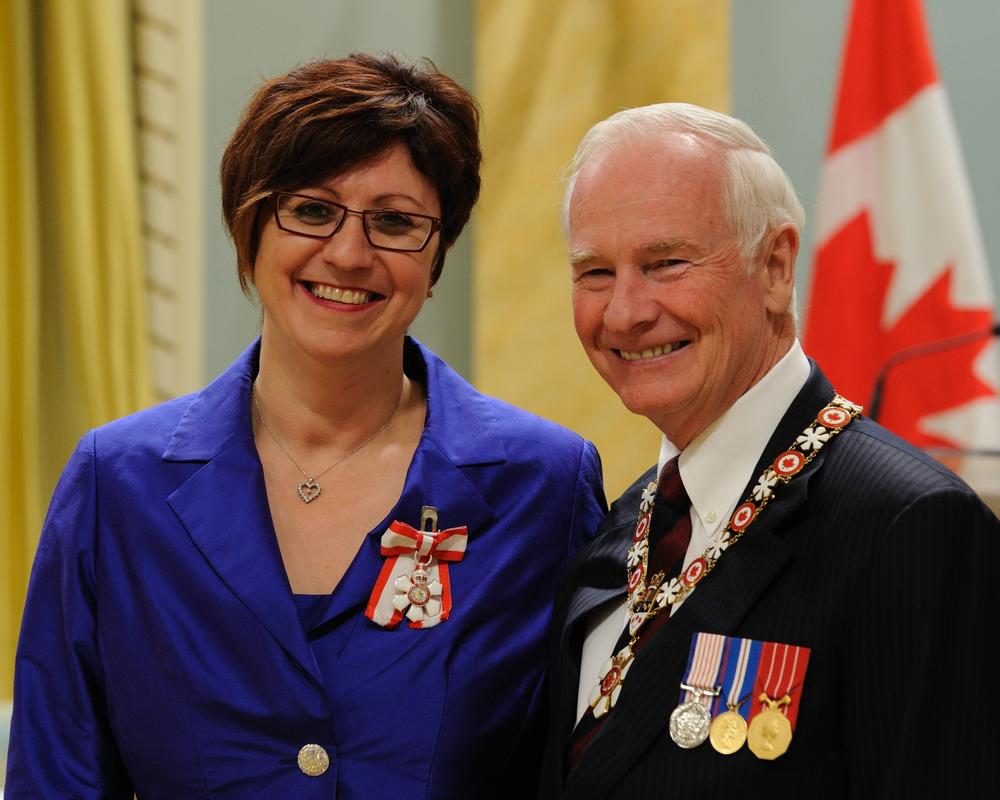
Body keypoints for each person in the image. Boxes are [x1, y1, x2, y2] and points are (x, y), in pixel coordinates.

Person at [5, 52, 606, 799]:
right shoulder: (115, 485)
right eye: (312, 210)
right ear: (248, 229)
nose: (349, 254)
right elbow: (54, 781)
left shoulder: (544, 487)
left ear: (437, 252)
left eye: (395, 222)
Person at [539, 102, 1000, 798]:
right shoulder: (623, 526)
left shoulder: (910, 528)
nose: (625, 311)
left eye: (666, 263)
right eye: (595, 272)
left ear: (776, 267)